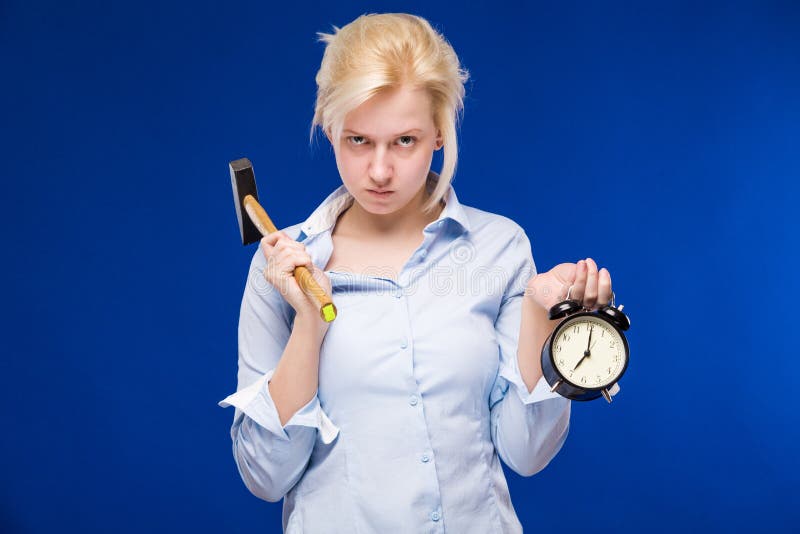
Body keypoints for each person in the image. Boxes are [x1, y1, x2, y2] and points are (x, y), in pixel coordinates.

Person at [219, 12, 615, 533]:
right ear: (328, 126)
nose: (379, 170)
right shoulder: (283, 270)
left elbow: (526, 454)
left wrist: (545, 320)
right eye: (358, 140)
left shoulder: (500, 248)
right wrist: (309, 325)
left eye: (404, 140)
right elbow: (265, 477)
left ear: (438, 133)